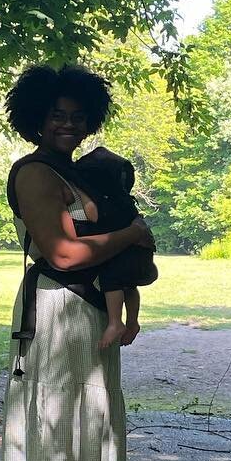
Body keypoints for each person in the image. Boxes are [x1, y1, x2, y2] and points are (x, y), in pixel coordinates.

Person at [0, 63, 156, 461]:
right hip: (56, 313)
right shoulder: (36, 173)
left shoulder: (75, 171)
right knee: (51, 434)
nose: (67, 123)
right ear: (35, 117)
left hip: (83, 314)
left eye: (77, 115)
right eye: (55, 114)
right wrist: (132, 233)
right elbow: (63, 252)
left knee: (67, 436)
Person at [72, 144, 158, 348]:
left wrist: (80, 193)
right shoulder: (125, 200)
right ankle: (133, 321)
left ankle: (114, 322)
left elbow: (92, 215)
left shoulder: (101, 202)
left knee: (111, 280)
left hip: (125, 254)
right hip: (141, 254)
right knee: (130, 285)